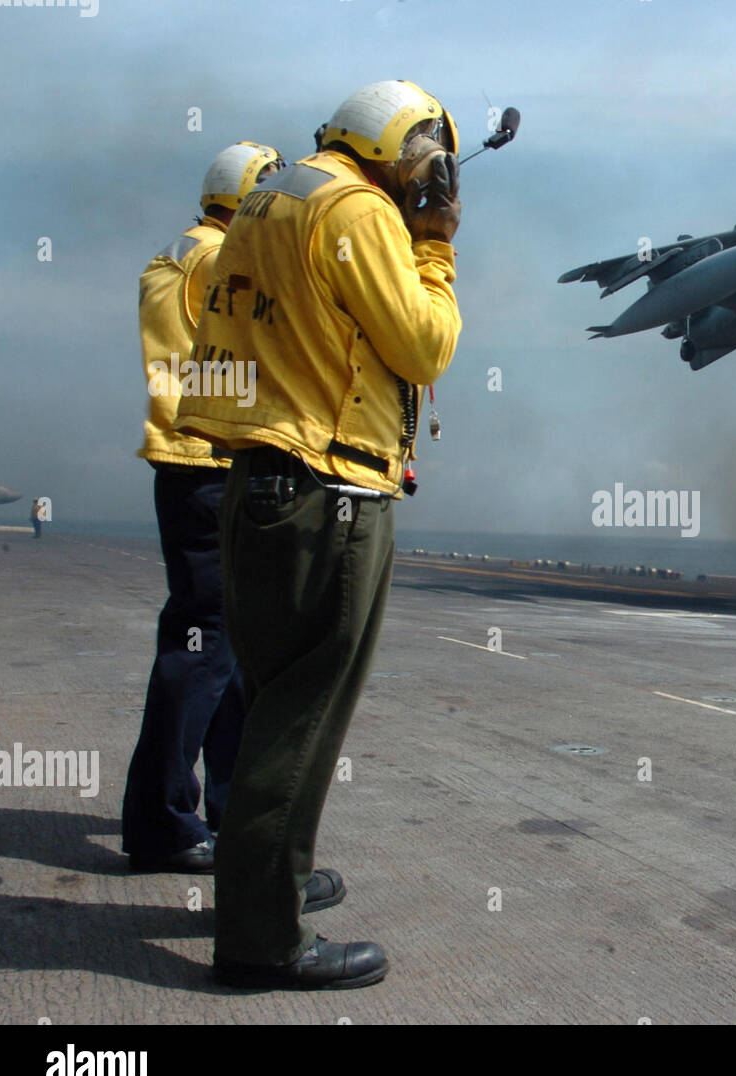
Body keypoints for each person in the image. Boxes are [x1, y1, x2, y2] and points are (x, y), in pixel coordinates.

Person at [174, 80, 463, 990]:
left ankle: (268, 891)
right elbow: (424, 345)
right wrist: (435, 245)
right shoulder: (360, 213)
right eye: (432, 165)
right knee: (299, 722)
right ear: (411, 155)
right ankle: (262, 941)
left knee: (271, 705)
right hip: (330, 493)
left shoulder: (269, 200)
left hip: (257, 482)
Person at [123, 143, 284, 873]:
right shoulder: (221, 260)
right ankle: (163, 824)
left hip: (191, 466)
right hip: (212, 468)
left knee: (224, 652)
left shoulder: (180, 252)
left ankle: (224, 812)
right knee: (203, 649)